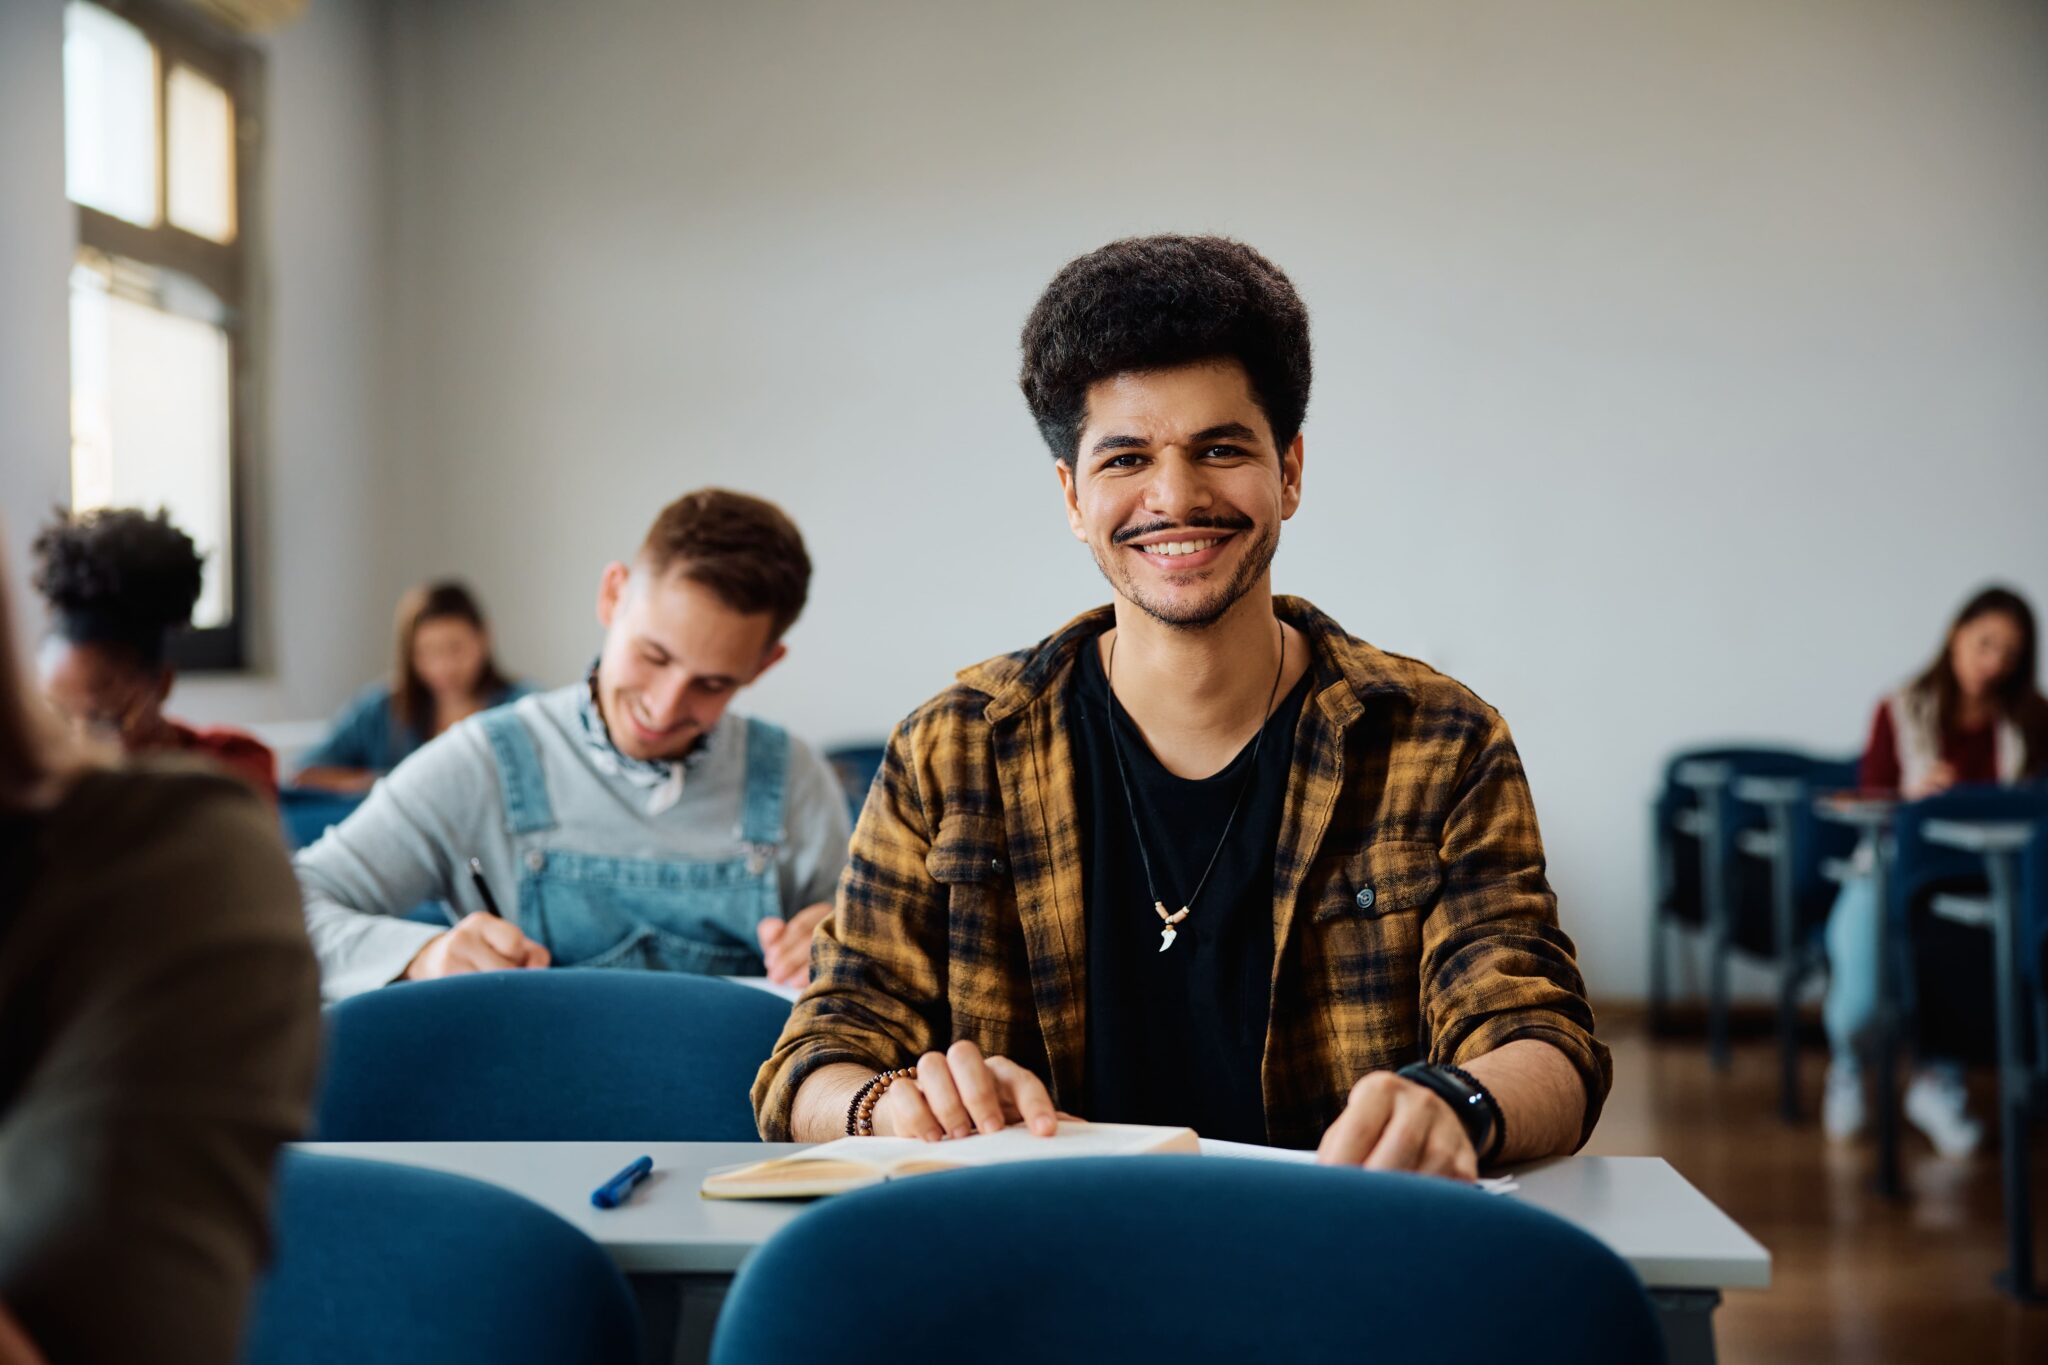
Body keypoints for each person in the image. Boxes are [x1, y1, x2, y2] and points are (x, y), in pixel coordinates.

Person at [755, 236, 1608, 1176]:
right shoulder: (950, 750)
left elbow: (1544, 1041)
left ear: (1288, 471)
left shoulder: (1438, 740)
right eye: (1126, 458)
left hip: (1332, 1270)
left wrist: (1461, 1102)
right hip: (1025, 1273)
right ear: (1072, 495)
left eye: (1220, 448)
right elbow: (812, 1060)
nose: (1176, 496)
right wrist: (884, 1102)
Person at [296, 488, 851, 999]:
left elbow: (890, 972)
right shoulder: (483, 762)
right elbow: (286, 909)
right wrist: (423, 954)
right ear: (612, 596)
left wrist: (849, 950)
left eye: (712, 684)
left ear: (763, 664)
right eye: (653, 656)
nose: (662, 707)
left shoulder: (796, 780)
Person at [0, 538, 322, 1364]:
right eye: (56, 708)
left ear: (159, 688)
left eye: (101, 714)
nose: (81, 735)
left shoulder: (200, 823)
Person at [1821, 586, 2048, 1153]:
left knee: (1969, 960)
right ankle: (1848, 1064)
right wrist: (1911, 798)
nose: (1993, 663)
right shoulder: (1899, 708)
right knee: (1861, 1000)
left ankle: (1937, 1075)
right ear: (1955, 635)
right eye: (1985, 645)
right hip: (1892, 865)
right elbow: (1865, 802)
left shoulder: (2031, 718)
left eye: (2010, 655)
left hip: (1989, 880)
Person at [31, 507, 277, 799]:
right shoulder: (36, 777)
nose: (79, 745)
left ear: (162, 684)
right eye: (58, 718)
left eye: (104, 722)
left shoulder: (232, 765)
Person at [294, 580, 532, 793]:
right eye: (426, 652)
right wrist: (379, 785)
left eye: (455, 648)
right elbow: (305, 773)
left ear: (484, 637)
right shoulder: (381, 710)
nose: (443, 667)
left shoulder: (523, 707)